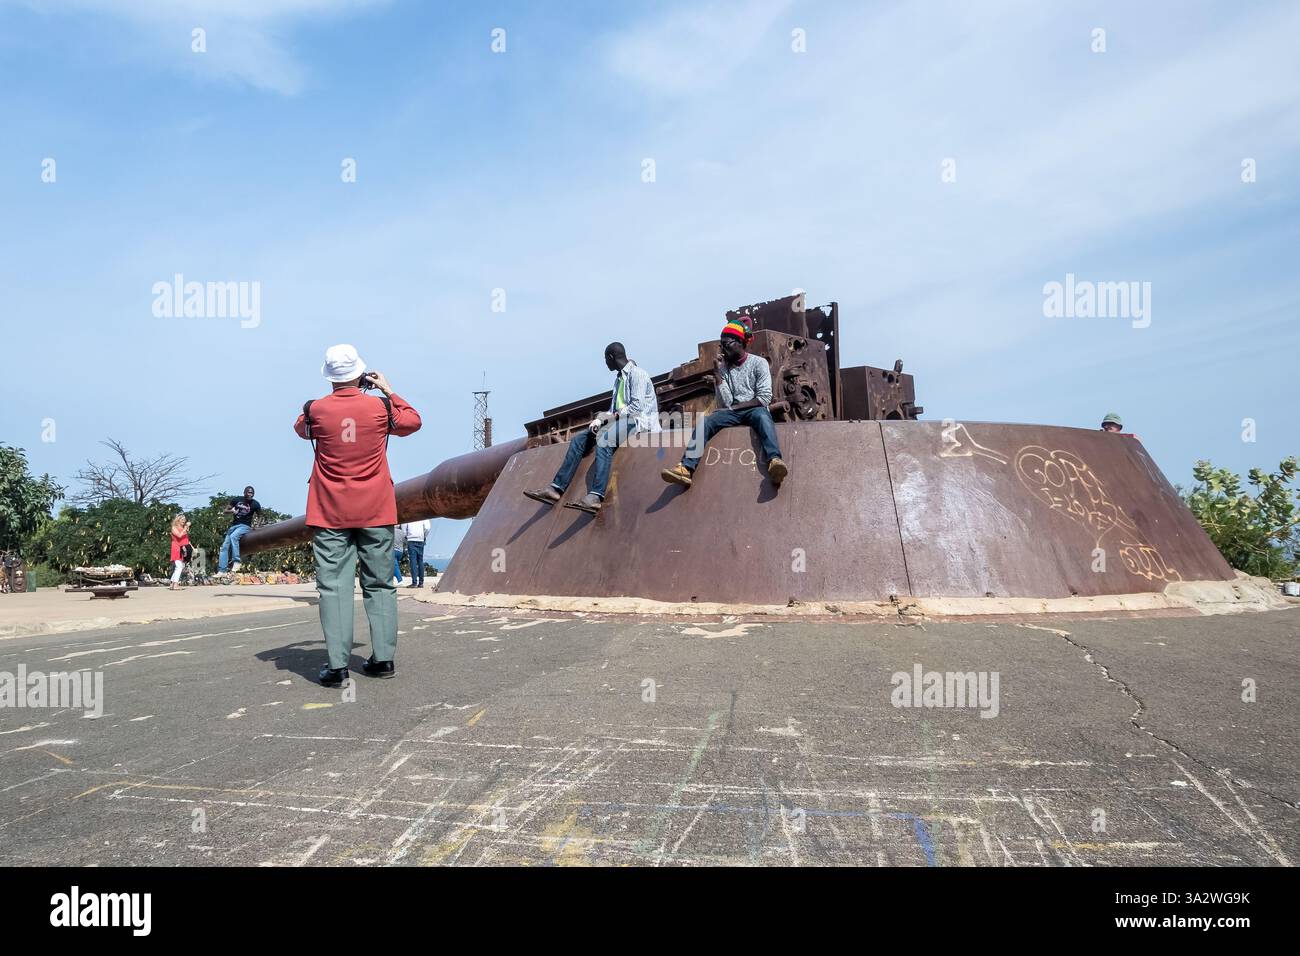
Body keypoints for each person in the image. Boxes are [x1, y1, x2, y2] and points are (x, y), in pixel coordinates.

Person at [295, 344, 421, 687]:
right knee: (380, 584)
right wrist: (388, 389)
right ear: (360, 373)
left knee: (334, 587)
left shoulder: (314, 409)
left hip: (329, 511)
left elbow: (301, 429)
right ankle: (383, 660)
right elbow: (412, 422)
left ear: (329, 375)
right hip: (376, 509)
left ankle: (336, 668)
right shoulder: (380, 407)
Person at [523, 342, 659, 514]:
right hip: (621, 421)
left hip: (639, 421)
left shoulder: (637, 374)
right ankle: (555, 489)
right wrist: (600, 419)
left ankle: (595, 496)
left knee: (604, 441)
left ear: (611, 357)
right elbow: (614, 409)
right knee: (580, 440)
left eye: (605, 359)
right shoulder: (618, 380)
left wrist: (608, 418)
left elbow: (636, 407)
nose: (605, 363)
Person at [661, 319, 787, 489]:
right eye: (721, 345)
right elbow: (726, 402)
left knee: (763, 417)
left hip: (754, 409)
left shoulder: (759, 363)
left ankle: (774, 461)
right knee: (706, 421)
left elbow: (763, 398)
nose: (722, 348)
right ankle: (686, 468)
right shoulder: (724, 369)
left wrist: (735, 407)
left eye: (725, 343)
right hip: (732, 411)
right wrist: (718, 377)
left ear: (739, 342)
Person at [218, 486, 262, 572]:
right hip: (234, 526)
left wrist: (257, 525)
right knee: (224, 547)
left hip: (245, 526)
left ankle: (237, 561)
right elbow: (225, 510)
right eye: (249, 492)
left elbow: (260, 515)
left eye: (252, 493)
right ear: (244, 492)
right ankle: (222, 570)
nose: (250, 495)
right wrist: (232, 511)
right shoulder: (237, 499)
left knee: (233, 537)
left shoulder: (255, 504)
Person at [401, 519, 432, 588]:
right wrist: (424, 536)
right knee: (420, 561)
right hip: (420, 539)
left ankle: (414, 583)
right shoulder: (423, 514)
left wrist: (406, 537)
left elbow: (403, 528)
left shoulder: (409, 514)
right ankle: (421, 583)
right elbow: (427, 527)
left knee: (413, 562)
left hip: (411, 539)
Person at [169, 514, 191, 591]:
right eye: (182, 520)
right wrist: (185, 528)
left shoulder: (182, 528)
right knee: (179, 566)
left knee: (179, 566)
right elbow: (179, 535)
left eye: (184, 520)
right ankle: (175, 584)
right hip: (176, 548)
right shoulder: (174, 527)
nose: (184, 521)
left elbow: (185, 539)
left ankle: (172, 583)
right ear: (178, 520)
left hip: (182, 548)